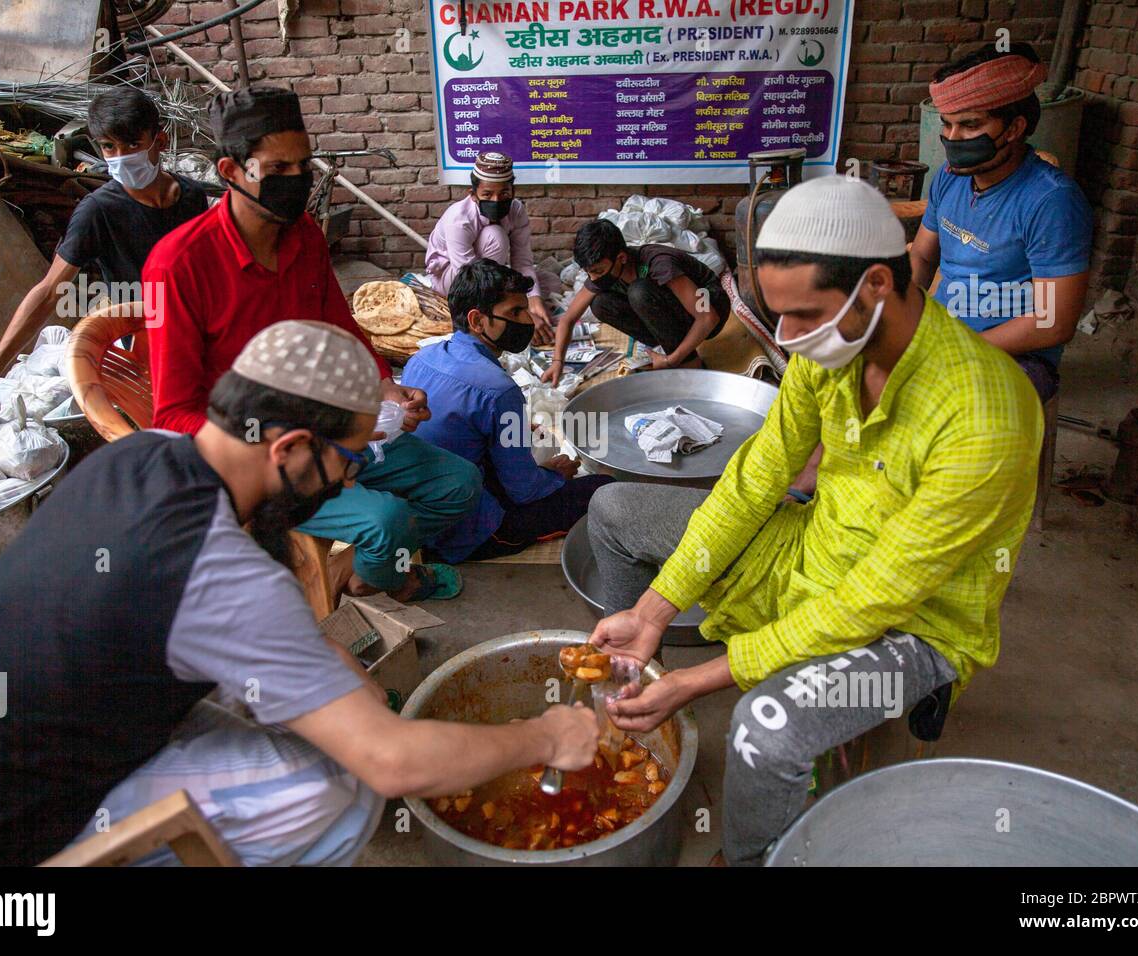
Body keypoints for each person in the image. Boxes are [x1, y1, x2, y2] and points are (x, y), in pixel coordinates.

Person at [0, 322, 598, 867]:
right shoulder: (220, 569)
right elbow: (391, 764)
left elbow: (249, 623)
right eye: (350, 460)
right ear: (292, 447)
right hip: (9, 844)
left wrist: (334, 670)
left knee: (315, 721)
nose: (350, 478)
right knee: (339, 785)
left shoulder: (137, 455)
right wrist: (545, 734)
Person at [585, 176, 1042, 865]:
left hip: (913, 624)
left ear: (878, 285)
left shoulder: (985, 416)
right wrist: (654, 610)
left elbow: (877, 596)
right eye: (779, 316)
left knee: (764, 730)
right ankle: (640, 690)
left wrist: (708, 676)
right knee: (613, 508)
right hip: (807, 550)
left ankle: (753, 859)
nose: (788, 340)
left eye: (805, 315)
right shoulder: (827, 354)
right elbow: (753, 483)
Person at [143, 85, 480, 602]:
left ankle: (371, 574)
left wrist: (386, 385)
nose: (297, 181)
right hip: (263, 458)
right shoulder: (177, 265)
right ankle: (393, 572)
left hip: (334, 426)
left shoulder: (303, 236)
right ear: (231, 171)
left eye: (304, 166)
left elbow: (339, 326)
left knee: (459, 483)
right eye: (277, 171)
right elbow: (172, 416)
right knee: (387, 521)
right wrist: (281, 451)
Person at [0, 86, 208, 414]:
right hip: (146, 344)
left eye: (133, 145)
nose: (120, 156)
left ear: (161, 141)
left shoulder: (193, 197)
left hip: (197, 330)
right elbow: (50, 291)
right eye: (109, 147)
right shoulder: (98, 211)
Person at [908, 43, 1094, 402]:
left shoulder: (1051, 201)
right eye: (947, 124)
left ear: (1014, 128)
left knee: (937, 414)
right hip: (943, 334)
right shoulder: (951, 178)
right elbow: (921, 257)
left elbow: (1053, 321)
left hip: (1016, 357)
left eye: (970, 125)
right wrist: (908, 317)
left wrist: (960, 350)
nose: (951, 138)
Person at [402, 259, 614, 562]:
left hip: (419, 508)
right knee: (604, 490)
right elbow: (525, 491)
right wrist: (553, 476)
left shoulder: (421, 358)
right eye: (515, 312)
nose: (528, 320)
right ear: (477, 321)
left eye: (525, 308)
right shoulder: (499, 391)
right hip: (468, 530)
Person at [542, 219, 731, 384]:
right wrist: (557, 362)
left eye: (598, 271)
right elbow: (568, 319)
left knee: (639, 292)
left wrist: (671, 361)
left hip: (710, 306)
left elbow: (708, 318)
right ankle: (667, 346)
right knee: (600, 303)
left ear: (621, 258)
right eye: (589, 272)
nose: (593, 278)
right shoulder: (604, 273)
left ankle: (690, 362)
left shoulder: (660, 264)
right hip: (677, 309)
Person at [424, 151, 555, 344]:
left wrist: (534, 301)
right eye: (487, 194)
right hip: (453, 278)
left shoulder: (516, 210)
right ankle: (493, 308)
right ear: (473, 195)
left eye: (504, 194)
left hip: (486, 270)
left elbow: (523, 262)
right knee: (495, 236)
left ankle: (501, 302)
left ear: (513, 192)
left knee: (549, 285)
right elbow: (469, 277)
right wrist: (521, 314)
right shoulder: (458, 219)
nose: (496, 200)